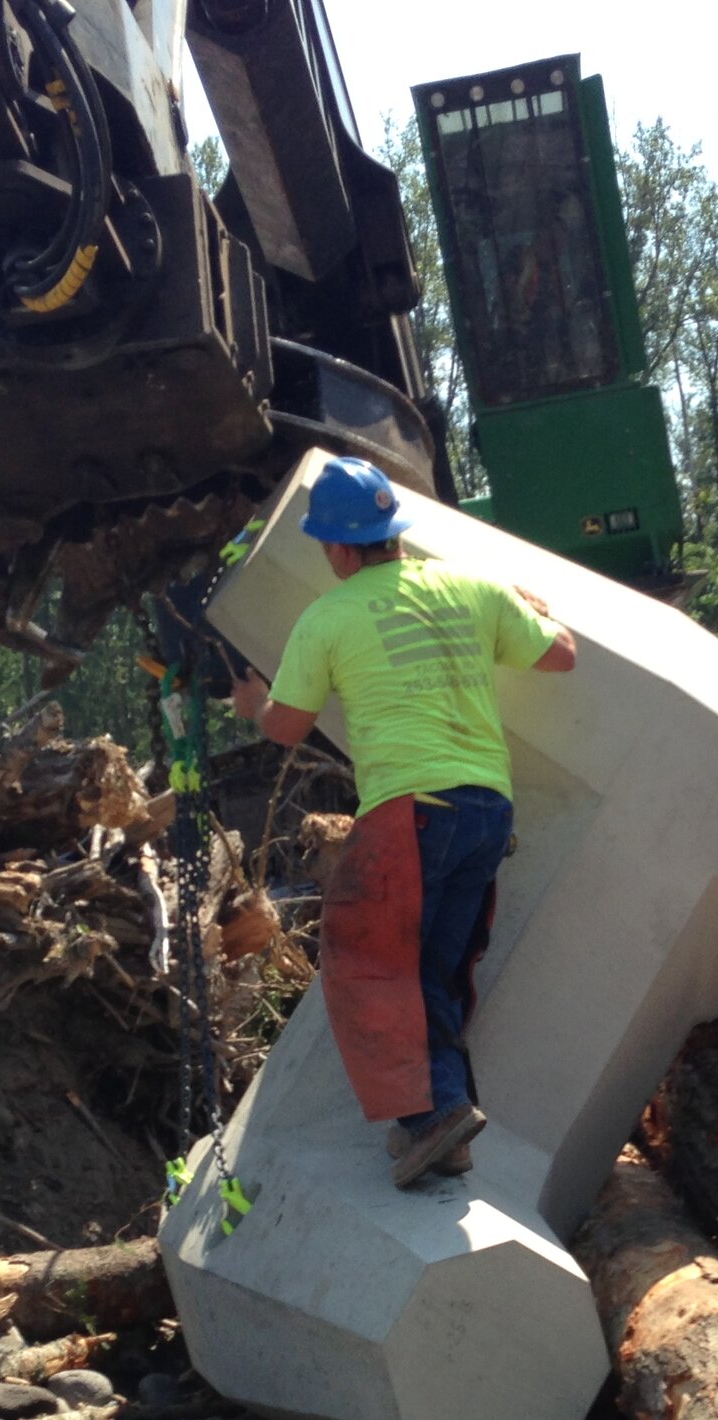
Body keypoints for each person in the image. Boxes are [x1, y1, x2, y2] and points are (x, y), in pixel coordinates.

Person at [233, 457, 578, 1187]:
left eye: (326, 544)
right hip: (487, 810)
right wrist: (532, 607)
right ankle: (446, 1128)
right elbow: (563, 654)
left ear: (341, 547)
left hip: (411, 812)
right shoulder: (473, 587)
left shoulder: (328, 617)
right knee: (437, 968)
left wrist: (254, 704)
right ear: (393, 532)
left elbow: (287, 729)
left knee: (365, 958)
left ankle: (430, 1116)